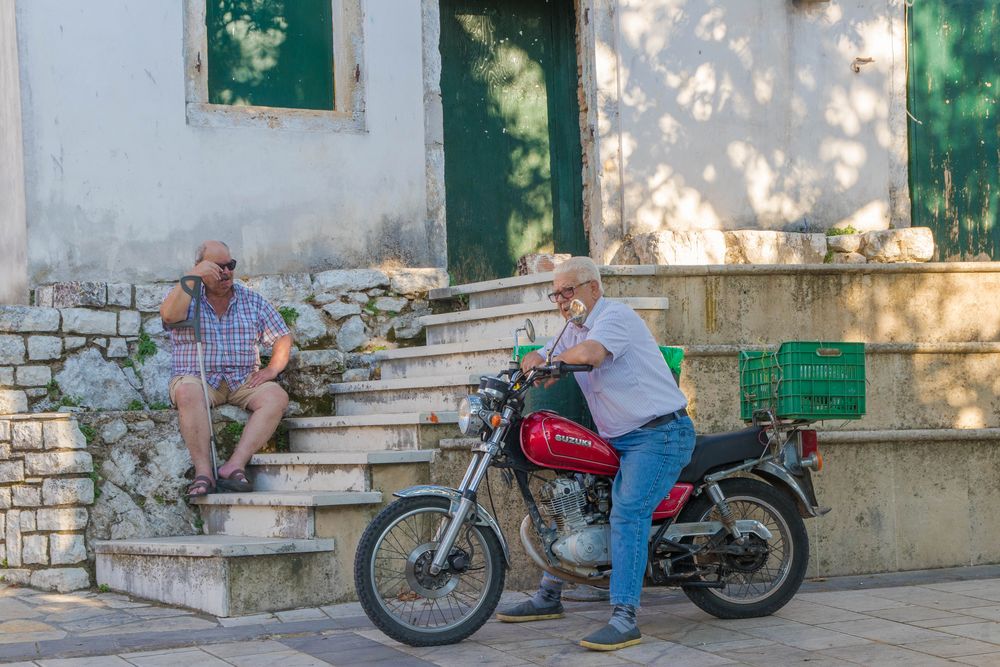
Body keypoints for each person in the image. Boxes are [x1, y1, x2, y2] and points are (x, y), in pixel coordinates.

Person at [495, 256, 696, 652]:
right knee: (575, 498)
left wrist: (551, 358)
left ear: (593, 288)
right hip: (620, 437)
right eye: (556, 294)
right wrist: (533, 360)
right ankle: (550, 596)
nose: (561, 301)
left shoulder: (614, 318)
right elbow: (552, 362)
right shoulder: (573, 327)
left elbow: (590, 354)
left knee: (627, 511)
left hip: (659, 433)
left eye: (568, 292)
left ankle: (625, 618)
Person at [160, 240, 292, 500]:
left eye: (230, 265)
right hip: (198, 377)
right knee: (187, 392)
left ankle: (234, 465)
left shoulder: (250, 300)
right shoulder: (187, 295)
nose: (226, 272)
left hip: (242, 379)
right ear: (201, 267)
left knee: (276, 397)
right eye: (218, 267)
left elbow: (282, 335)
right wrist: (193, 277)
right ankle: (203, 473)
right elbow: (168, 316)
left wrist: (272, 369)